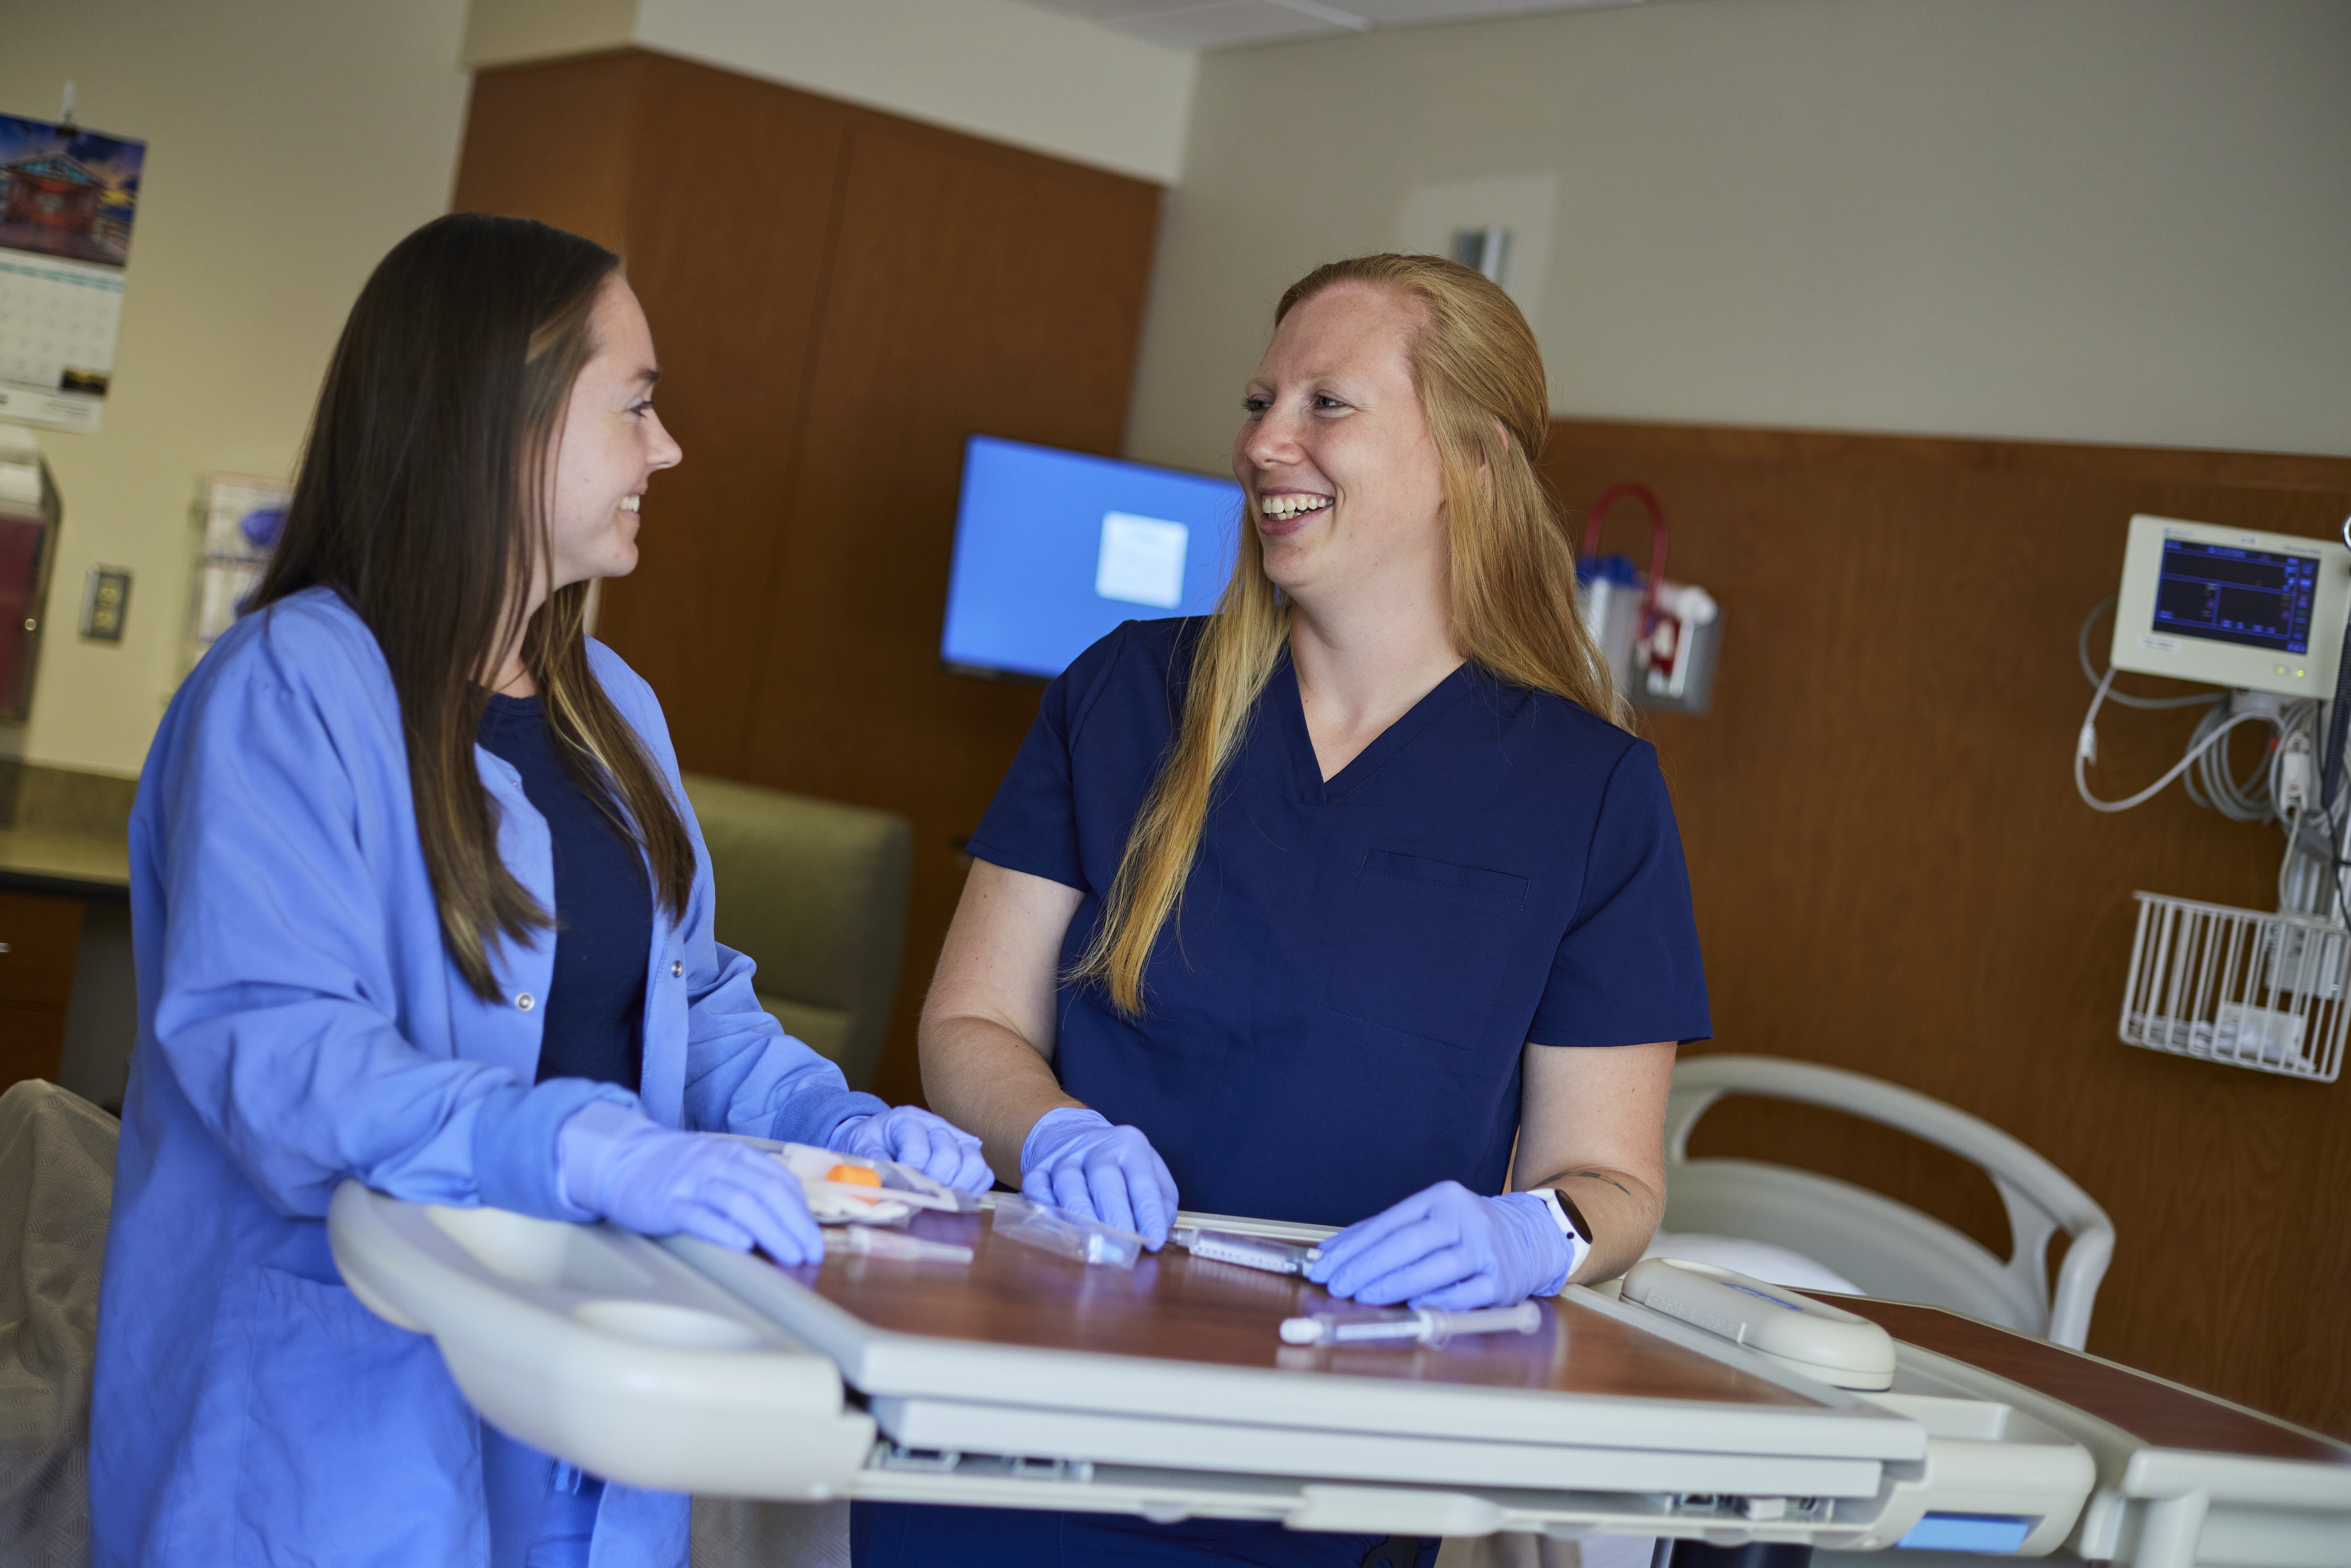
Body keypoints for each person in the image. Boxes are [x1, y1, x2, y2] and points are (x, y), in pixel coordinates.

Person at [88, 213, 991, 1568]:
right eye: (636, 406)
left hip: (584, 1383)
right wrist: (579, 1145)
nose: (667, 449)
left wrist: (848, 1127)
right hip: (335, 1416)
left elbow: (691, 1004)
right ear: (501, 419)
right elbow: (272, 1049)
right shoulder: (290, 692)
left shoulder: (609, 707)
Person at [877, 254, 1711, 1567]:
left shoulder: (1590, 793)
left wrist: (1530, 1233)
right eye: (1262, 399)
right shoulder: (1123, 697)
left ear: (1470, 457)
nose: (1265, 441)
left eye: (1328, 404)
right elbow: (968, 1020)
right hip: (1030, 1396)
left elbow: (1611, 1183)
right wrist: (1051, 1134)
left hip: (1338, 1455)